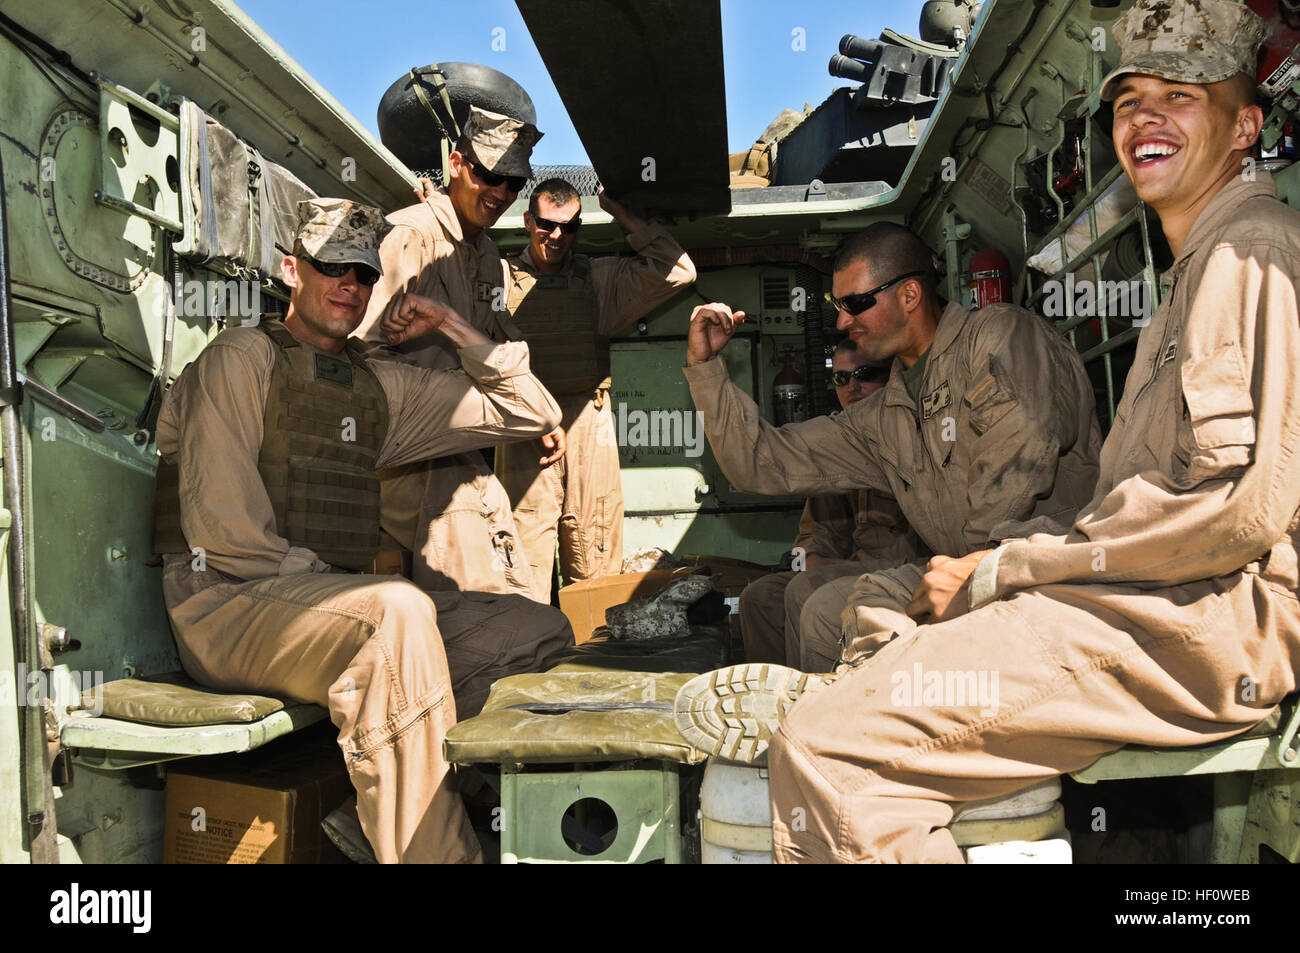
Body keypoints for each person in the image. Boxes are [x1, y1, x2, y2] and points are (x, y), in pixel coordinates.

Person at [676, 0, 1300, 864]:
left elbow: (1236, 511)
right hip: (1143, 598)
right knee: (849, 619)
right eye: (1127, 102)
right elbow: (764, 459)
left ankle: (873, 710)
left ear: (1246, 127)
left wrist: (1001, 572)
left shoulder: (1246, 254)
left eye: (1181, 97)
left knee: (832, 749)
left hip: (1212, 618)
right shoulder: (1193, 272)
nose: (1145, 118)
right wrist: (706, 371)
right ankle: (888, 693)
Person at [153, 198, 574, 863]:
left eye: (364, 274)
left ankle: (382, 808)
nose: (348, 285)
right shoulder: (240, 359)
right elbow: (223, 532)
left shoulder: (377, 387)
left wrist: (454, 325)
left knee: (535, 629)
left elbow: (530, 408)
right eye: (330, 268)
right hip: (223, 603)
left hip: (324, 607)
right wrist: (345, 589)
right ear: (292, 269)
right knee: (395, 613)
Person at [678, 220, 1101, 686]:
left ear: (910, 296)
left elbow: (1019, 461)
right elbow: (763, 462)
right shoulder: (886, 415)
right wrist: (706, 369)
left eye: (856, 304)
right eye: (835, 306)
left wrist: (967, 575)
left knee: (872, 620)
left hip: (1042, 567)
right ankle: (830, 740)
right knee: (819, 607)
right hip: (959, 571)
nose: (842, 321)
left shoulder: (999, 336)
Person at [357, 106, 544, 597]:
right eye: (489, 175)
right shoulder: (410, 235)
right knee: (472, 577)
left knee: (496, 547)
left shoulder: (485, 255)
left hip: (455, 446)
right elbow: (361, 356)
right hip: (401, 448)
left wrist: (542, 424)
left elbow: (502, 340)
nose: (500, 193)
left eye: (513, 184)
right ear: (457, 164)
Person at [496, 177, 697, 602]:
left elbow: (680, 271)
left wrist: (624, 215)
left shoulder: (598, 278)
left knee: (595, 549)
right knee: (523, 555)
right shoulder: (497, 278)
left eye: (569, 228)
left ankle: (593, 654)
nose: (557, 237)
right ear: (529, 221)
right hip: (524, 427)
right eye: (548, 225)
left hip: (589, 420)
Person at [737, 339, 926, 667]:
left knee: (806, 591)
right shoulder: (843, 442)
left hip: (909, 566)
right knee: (760, 597)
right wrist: (809, 557)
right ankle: (771, 702)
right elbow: (815, 530)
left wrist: (819, 572)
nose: (853, 387)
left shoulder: (918, 431)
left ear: (891, 377)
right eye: (841, 378)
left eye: (865, 374)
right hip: (860, 565)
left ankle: (813, 705)